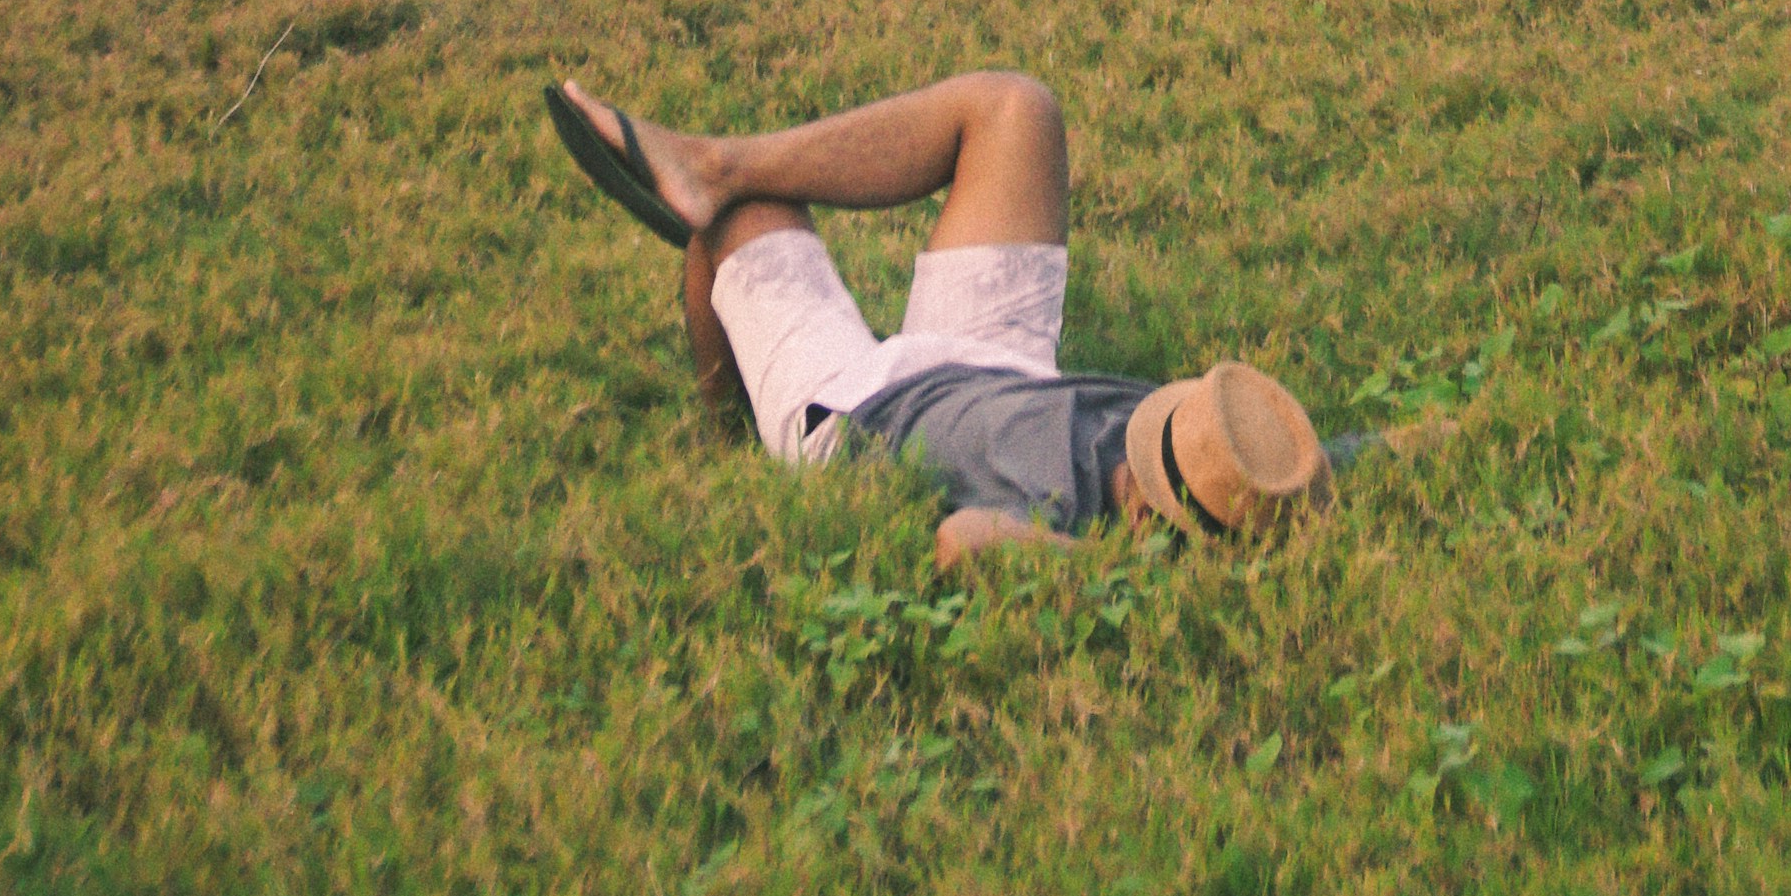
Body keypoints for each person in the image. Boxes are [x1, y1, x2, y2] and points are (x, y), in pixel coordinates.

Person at [545, 65, 1329, 562]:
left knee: (744, 218)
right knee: (1013, 108)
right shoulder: (1234, 460)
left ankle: (730, 434)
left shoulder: (1062, 517)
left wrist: (1116, 569)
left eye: (1147, 480)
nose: (1138, 453)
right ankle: (713, 165)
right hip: (998, 360)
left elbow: (963, 542)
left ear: (1154, 523)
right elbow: (1363, 450)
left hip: (852, 408)